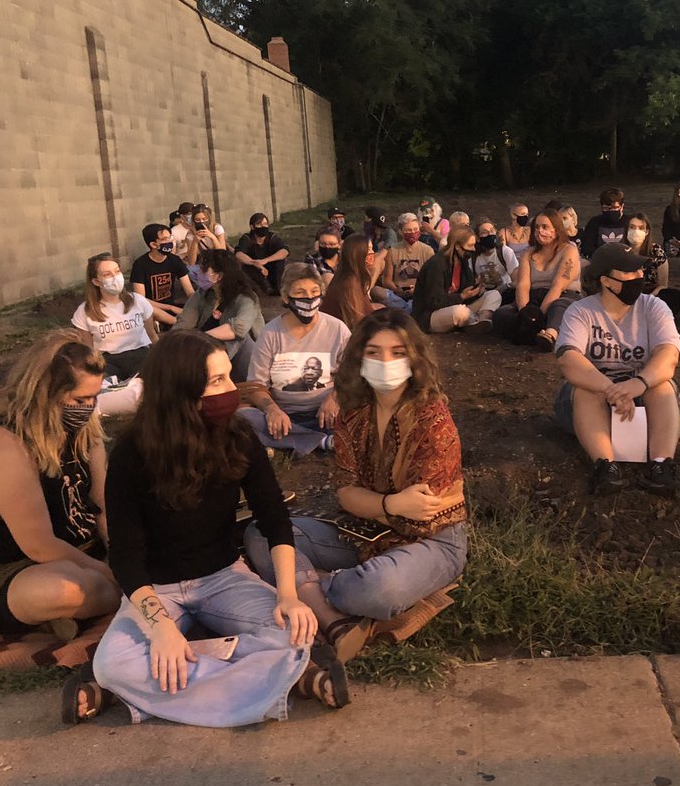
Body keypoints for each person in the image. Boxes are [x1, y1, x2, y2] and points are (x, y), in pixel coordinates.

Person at [89, 331, 346, 726]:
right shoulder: (131, 453)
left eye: (229, 376)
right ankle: (289, 681)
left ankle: (176, 669)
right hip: (156, 590)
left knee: (294, 632)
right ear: (180, 389)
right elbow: (124, 555)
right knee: (111, 664)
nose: (232, 390)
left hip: (223, 577)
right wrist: (160, 628)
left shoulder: (239, 436)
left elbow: (274, 517)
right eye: (218, 381)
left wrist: (289, 595)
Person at [243, 309, 467, 663]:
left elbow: (422, 512)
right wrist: (390, 505)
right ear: (359, 356)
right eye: (374, 352)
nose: (386, 361)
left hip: (431, 539)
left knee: (375, 589)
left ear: (414, 358)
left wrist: (372, 503)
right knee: (263, 534)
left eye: (397, 352)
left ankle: (311, 589)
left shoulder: (431, 417)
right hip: (365, 530)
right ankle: (333, 618)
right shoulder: (354, 412)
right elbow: (346, 493)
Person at [0, 330, 119, 654]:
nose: (89, 408)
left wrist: (122, 552)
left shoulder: (84, 430)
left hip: (81, 548)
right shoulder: (6, 446)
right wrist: (118, 574)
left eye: (94, 398)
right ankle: (93, 600)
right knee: (66, 590)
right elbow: (40, 547)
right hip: (8, 570)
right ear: (47, 393)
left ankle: (87, 604)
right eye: (80, 400)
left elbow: (103, 505)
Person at [554, 244, 680, 496]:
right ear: (605, 280)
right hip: (593, 402)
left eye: (639, 270)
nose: (639, 276)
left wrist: (639, 383)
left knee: (662, 387)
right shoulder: (580, 311)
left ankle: (662, 465)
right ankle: (605, 466)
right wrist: (611, 390)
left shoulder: (654, 307)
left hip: (641, 396)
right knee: (585, 390)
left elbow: (669, 355)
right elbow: (568, 359)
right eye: (629, 271)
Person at [240, 263, 350, 456]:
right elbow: (256, 385)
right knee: (242, 418)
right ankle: (322, 441)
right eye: (300, 293)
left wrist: (335, 397)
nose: (309, 298)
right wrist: (272, 409)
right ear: (285, 297)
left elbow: (353, 374)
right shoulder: (270, 334)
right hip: (286, 416)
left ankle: (293, 441)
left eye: (315, 291)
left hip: (330, 413)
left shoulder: (337, 329)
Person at [494, 209, 582, 350]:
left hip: (561, 296)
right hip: (533, 298)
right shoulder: (528, 253)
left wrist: (538, 315)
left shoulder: (568, 250)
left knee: (559, 308)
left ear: (556, 229)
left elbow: (557, 286)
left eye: (545, 227)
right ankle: (533, 330)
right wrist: (526, 314)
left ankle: (550, 335)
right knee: (502, 314)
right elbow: (523, 285)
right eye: (537, 227)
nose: (540, 231)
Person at [173, 249, 265, 377]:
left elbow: (238, 329)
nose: (198, 272)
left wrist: (198, 339)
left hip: (246, 359)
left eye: (203, 268)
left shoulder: (247, 298)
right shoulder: (200, 295)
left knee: (238, 338)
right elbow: (182, 325)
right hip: (206, 352)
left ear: (218, 276)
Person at [72, 253, 156, 382]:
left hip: (140, 355)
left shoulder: (138, 301)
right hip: (107, 361)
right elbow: (88, 350)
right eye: (107, 274)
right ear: (96, 281)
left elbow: (152, 335)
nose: (115, 277)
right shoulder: (84, 312)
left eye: (117, 271)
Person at [413, 226, 501, 334]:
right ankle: (472, 321)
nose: (473, 249)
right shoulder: (437, 264)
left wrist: (476, 290)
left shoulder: (462, 261)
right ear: (457, 246)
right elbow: (434, 301)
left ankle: (481, 320)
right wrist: (461, 296)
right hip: (431, 315)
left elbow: (466, 291)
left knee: (494, 295)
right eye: (470, 245)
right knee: (460, 312)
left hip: (456, 306)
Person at [129, 224, 193, 326]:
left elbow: (190, 292)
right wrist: (170, 308)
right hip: (152, 309)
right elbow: (141, 299)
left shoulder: (175, 260)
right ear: (153, 244)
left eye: (170, 237)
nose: (170, 241)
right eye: (164, 239)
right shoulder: (140, 264)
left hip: (172, 308)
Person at [625, 213, 680, 315]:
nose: (636, 231)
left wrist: (649, 299)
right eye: (632, 227)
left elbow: (663, 285)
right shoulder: (620, 251)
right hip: (627, 294)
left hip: (651, 295)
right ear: (626, 230)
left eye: (641, 228)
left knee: (674, 296)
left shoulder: (656, 251)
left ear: (646, 232)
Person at [321, 233, 380, 329]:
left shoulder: (352, 276)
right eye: (369, 249)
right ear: (358, 253)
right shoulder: (350, 283)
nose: (372, 252)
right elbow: (357, 320)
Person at [381, 214, 433, 305]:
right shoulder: (392, 251)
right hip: (398, 294)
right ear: (401, 231)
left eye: (415, 230)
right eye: (408, 230)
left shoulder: (428, 250)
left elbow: (431, 279)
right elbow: (387, 281)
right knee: (377, 292)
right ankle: (407, 308)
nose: (413, 232)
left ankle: (404, 309)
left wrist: (417, 290)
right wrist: (397, 290)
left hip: (420, 293)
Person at [235, 213, 289, 296]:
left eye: (265, 224)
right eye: (259, 224)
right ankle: (263, 287)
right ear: (252, 227)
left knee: (280, 261)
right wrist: (254, 263)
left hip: (271, 266)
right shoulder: (247, 238)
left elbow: (284, 251)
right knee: (245, 265)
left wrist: (265, 260)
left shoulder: (272, 237)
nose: (263, 227)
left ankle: (277, 286)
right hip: (255, 269)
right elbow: (238, 253)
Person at [472, 217, 519, 297]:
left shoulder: (505, 252)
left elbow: (517, 281)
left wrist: (503, 285)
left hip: (505, 293)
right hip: (483, 294)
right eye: (484, 232)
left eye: (492, 231)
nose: (490, 234)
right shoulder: (473, 257)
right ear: (478, 238)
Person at [581, 188, 628, 256]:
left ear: (622, 206)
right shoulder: (594, 222)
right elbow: (586, 248)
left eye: (614, 208)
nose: (610, 211)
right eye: (606, 208)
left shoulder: (629, 222)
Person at [305, 225, 342, 290]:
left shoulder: (346, 259)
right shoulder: (312, 260)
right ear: (318, 244)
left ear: (339, 245)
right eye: (323, 244)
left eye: (332, 244)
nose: (327, 247)